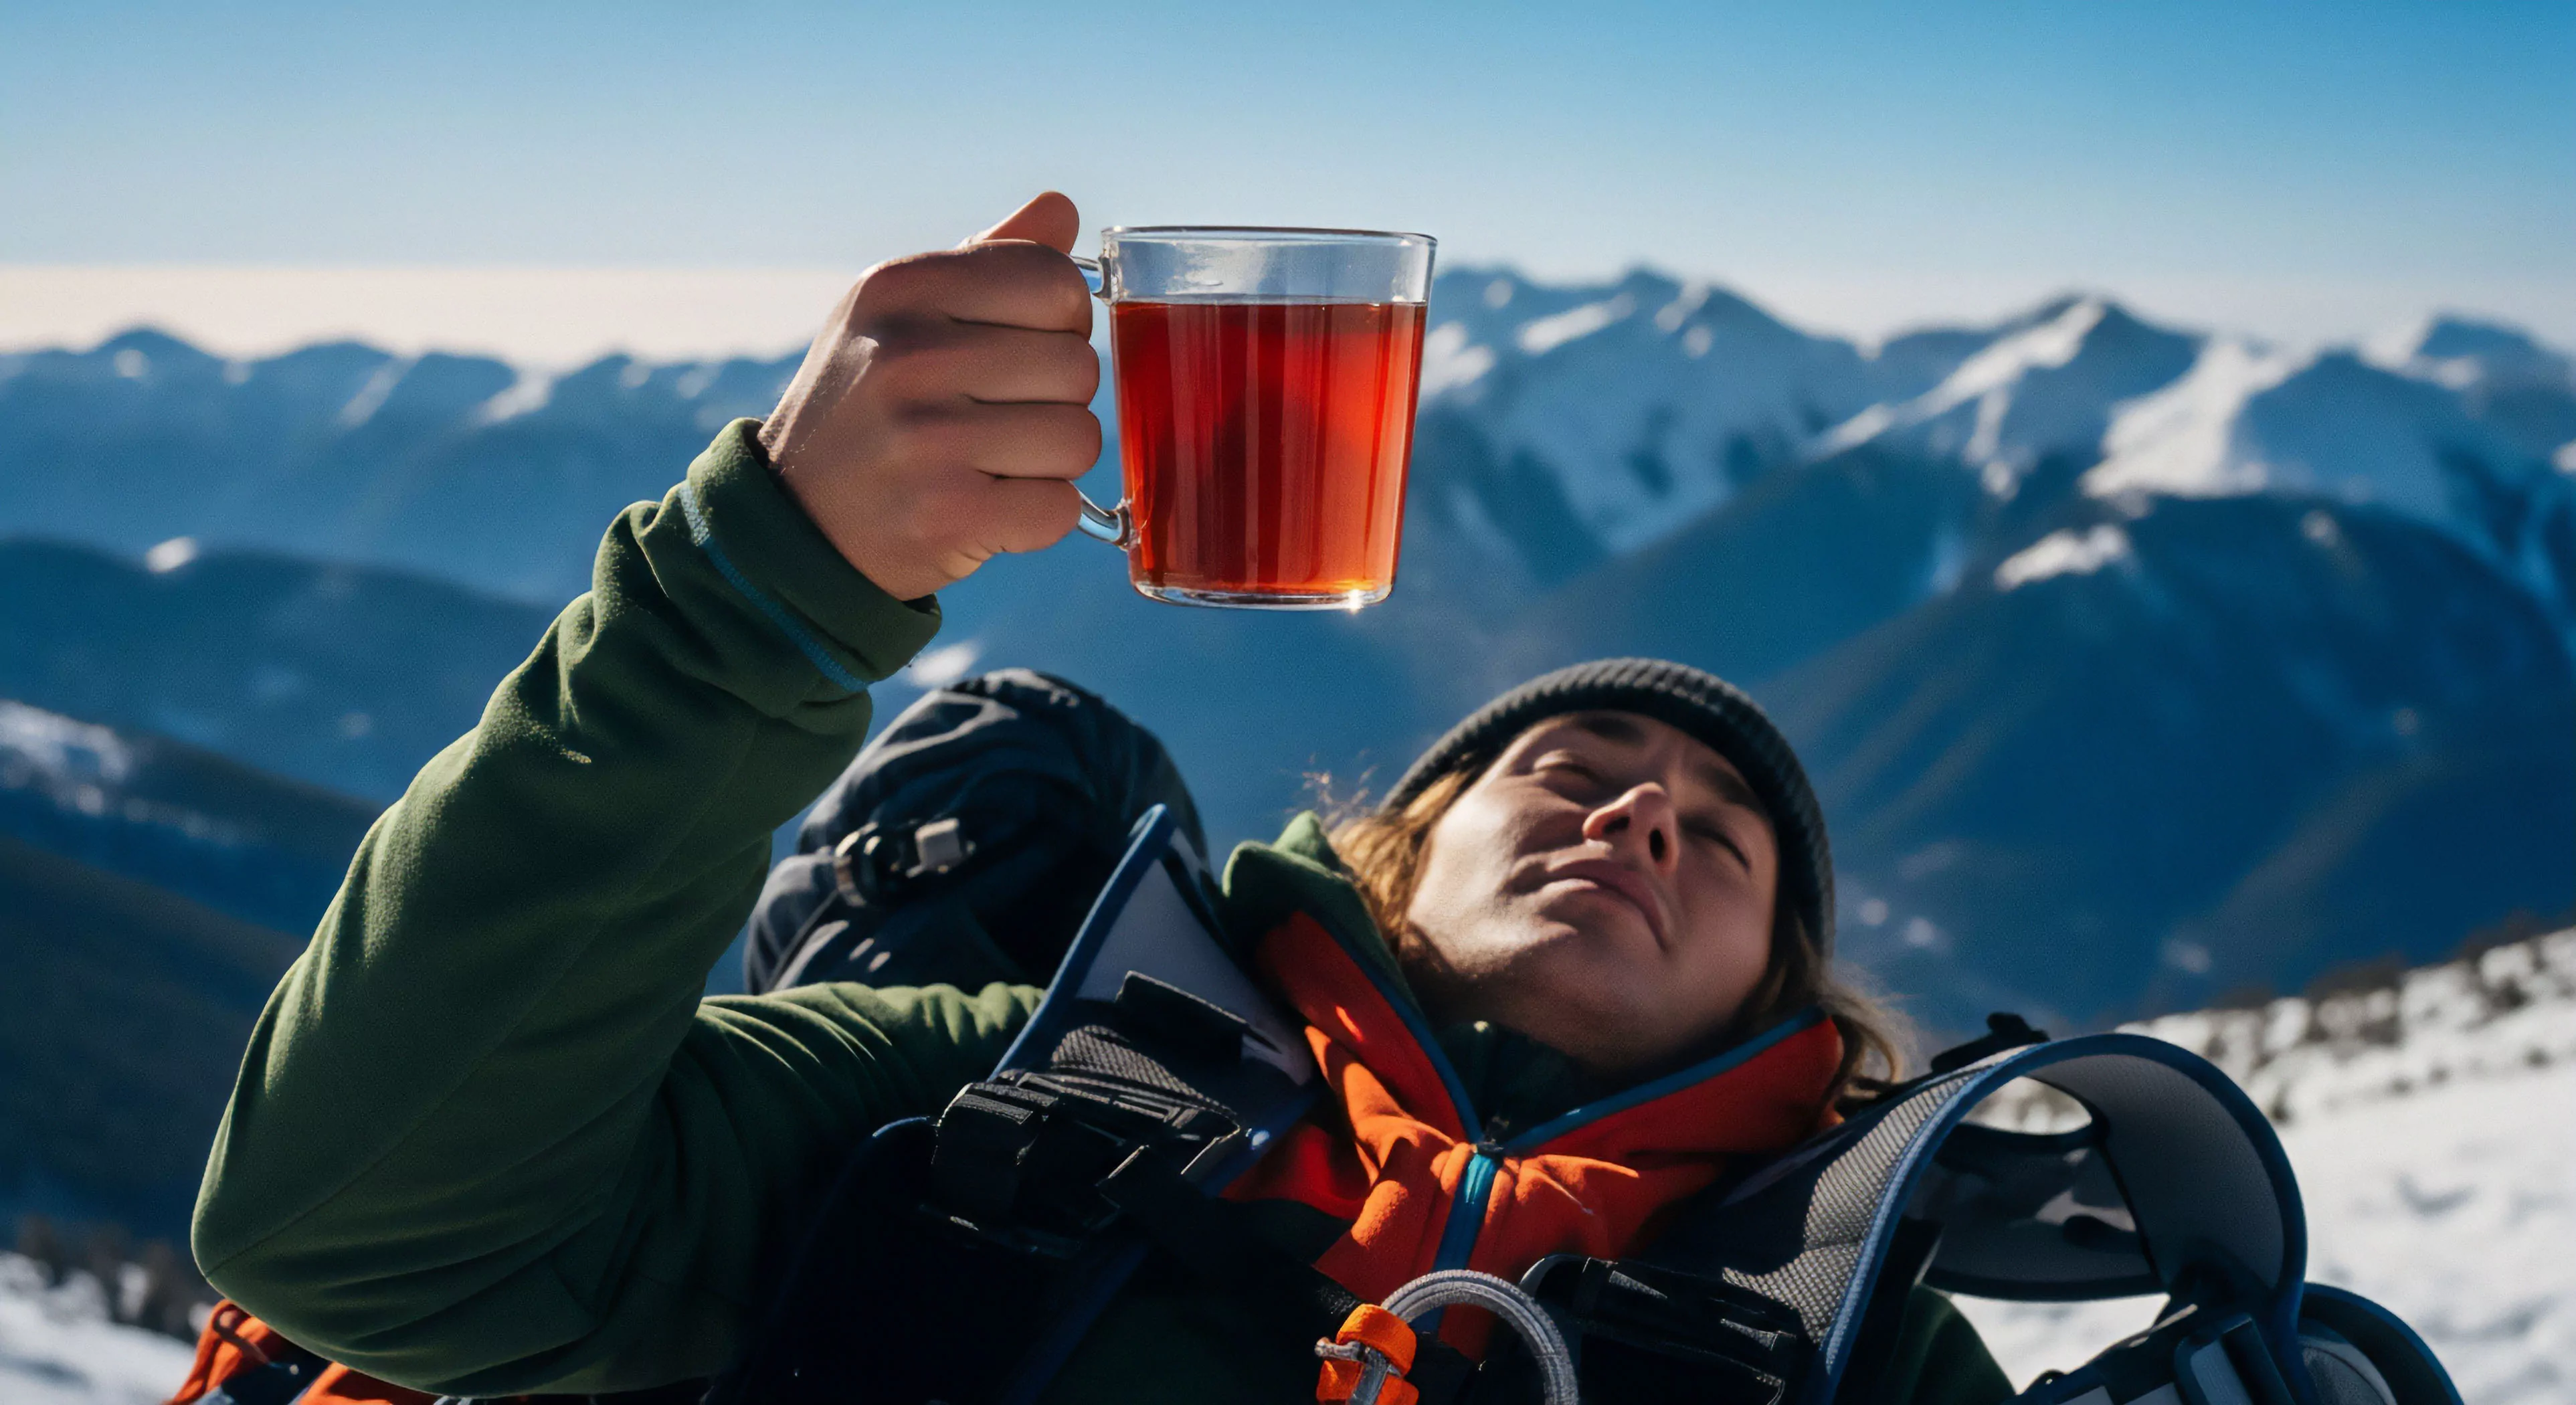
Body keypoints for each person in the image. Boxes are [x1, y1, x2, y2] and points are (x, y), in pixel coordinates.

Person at [189, 193, 2010, 1404]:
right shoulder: (997, 1085)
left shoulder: (1853, 1332)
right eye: (1571, 769)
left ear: (1792, 992)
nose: (1636, 821)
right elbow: (356, 1229)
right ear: (1399, 852)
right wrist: (756, 598)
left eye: (1718, 832)